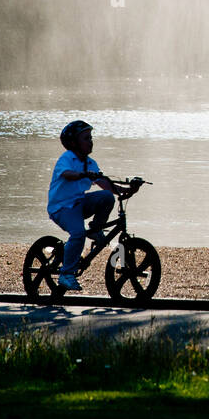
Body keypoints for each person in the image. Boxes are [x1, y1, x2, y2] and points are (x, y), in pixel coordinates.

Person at [48, 120, 117, 291]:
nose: (90, 141)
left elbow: (106, 185)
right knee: (78, 233)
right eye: (86, 138)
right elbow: (68, 174)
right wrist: (82, 174)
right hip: (62, 208)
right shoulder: (67, 158)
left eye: (91, 137)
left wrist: (126, 190)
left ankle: (95, 229)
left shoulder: (90, 163)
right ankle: (66, 274)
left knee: (107, 197)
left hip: (79, 203)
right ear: (73, 143)